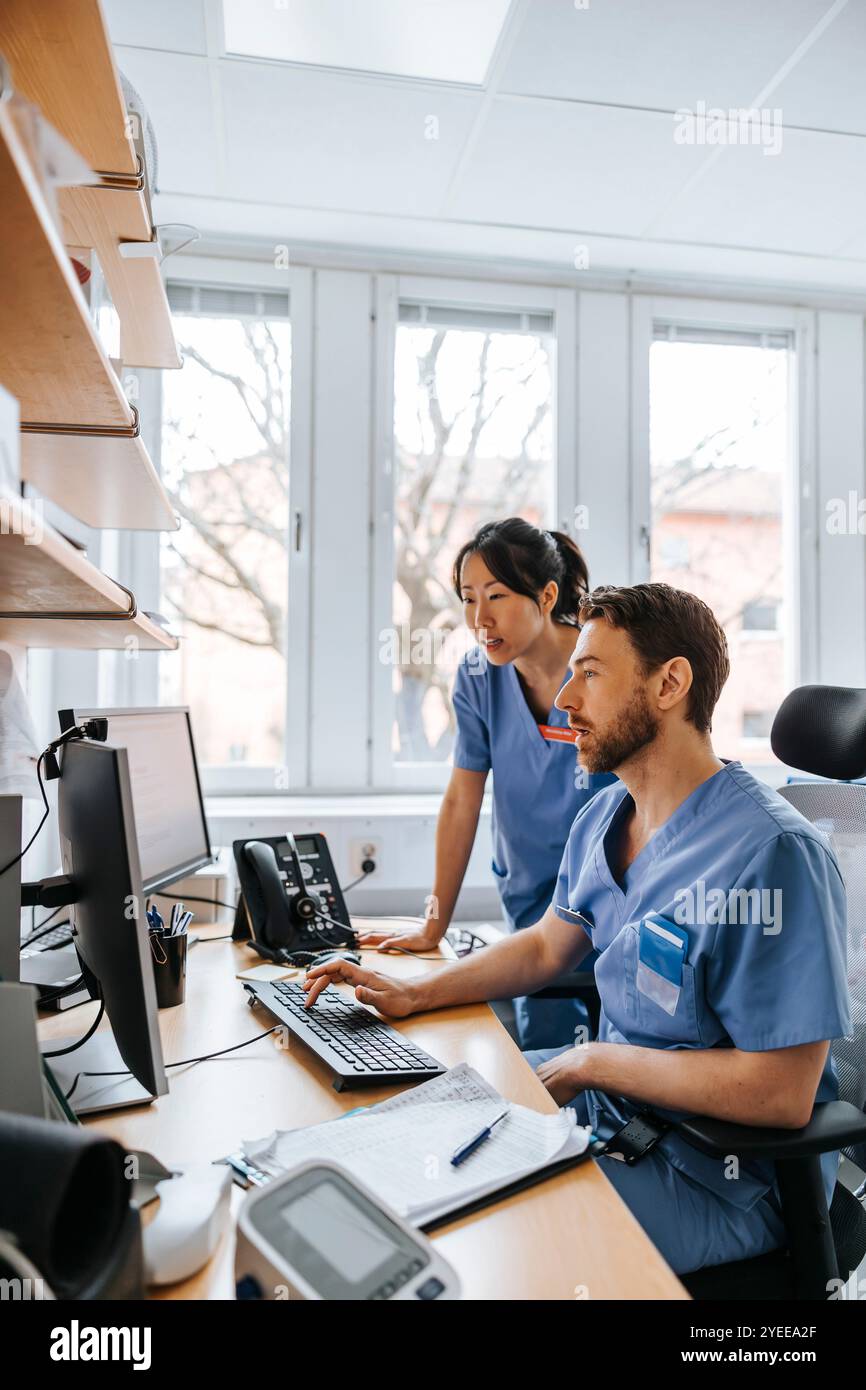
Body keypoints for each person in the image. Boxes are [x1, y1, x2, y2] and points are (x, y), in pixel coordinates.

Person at [305, 582, 852, 1276]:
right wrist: (418, 993)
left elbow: (781, 1091)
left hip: (718, 1181)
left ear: (670, 684)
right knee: (381, 1140)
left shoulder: (772, 854)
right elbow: (544, 946)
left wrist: (594, 1060)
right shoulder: (603, 818)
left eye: (589, 675)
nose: (564, 700)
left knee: (468, 1243)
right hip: (607, 1114)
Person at [358, 517, 615, 1051]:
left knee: (611, 1060)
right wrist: (433, 924)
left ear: (547, 596)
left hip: (612, 897)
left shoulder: (605, 670)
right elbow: (461, 801)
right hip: (529, 897)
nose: (480, 618)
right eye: (469, 599)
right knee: (543, 1066)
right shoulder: (479, 678)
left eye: (496, 596)